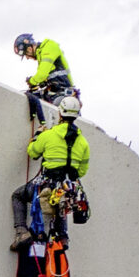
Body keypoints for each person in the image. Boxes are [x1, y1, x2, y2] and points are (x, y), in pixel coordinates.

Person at [12, 91, 92, 242]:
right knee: (63, 200)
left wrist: (37, 135)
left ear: (60, 113)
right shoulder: (83, 142)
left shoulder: (48, 135)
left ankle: (21, 232)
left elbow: (33, 152)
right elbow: (81, 171)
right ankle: (63, 237)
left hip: (47, 186)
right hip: (68, 190)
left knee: (18, 195)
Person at [13, 33, 75, 118]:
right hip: (55, 93)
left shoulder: (49, 47)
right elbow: (46, 77)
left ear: (30, 47)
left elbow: (42, 74)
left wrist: (32, 81)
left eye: (26, 53)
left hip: (63, 96)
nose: (27, 57)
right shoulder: (41, 54)